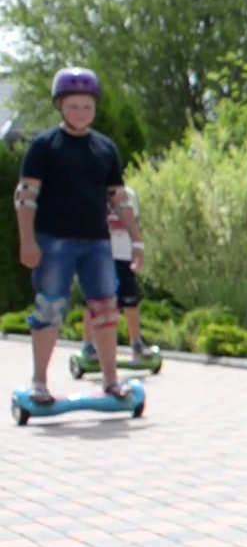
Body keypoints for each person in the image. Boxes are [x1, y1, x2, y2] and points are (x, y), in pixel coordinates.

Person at [13, 68, 142, 403]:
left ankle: (111, 380)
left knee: (106, 309)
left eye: (87, 106)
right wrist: (27, 241)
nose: (81, 112)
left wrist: (136, 240)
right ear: (60, 106)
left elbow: (119, 198)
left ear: (94, 107)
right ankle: (39, 382)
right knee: (49, 309)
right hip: (53, 241)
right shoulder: (44, 146)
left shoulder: (105, 149)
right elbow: (25, 197)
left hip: (97, 243)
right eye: (73, 106)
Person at [80, 185, 155, 364]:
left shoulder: (128, 194)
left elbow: (133, 223)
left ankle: (136, 344)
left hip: (123, 254)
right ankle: (88, 345)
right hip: (100, 253)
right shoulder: (93, 191)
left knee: (130, 300)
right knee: (96, 300)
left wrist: (138, 250)